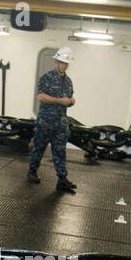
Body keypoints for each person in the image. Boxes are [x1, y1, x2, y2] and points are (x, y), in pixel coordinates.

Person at [28, 46, 78, 193]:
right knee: (39, 148)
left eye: (66, 63)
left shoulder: (68, 82)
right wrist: (61, 101)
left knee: (60, 151)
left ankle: (62, 179)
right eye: (62, 62)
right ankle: (32, 172)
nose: (64, 65)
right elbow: (41, 97)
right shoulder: (46, 78)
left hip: (61, 123)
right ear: (56, 61)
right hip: (45, 121)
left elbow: (66, 99)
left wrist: (70, 101)